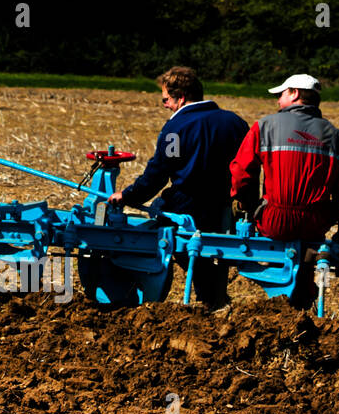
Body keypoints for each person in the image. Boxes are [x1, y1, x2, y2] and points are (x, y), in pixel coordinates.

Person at [106, 66, 248, 307]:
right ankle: (213, 294)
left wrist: (127, 195)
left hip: (188, 203)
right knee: (207, 246)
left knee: (161, 221)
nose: (164, 105)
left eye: (166, 100)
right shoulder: (235, 123)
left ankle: (165, 290)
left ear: (180, 97)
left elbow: (158, 175)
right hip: (223, 204)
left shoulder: (176, 128)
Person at [230, 74, 339, 309]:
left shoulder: (265, 126)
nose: (278, 100)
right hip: (314, 223)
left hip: (274, 221)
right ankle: (302, 304)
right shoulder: (336, 136)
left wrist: (247, 205)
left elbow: (241, 172)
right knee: (306, 265)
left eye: (281, 94)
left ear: (295, 94)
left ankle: (280, 301)